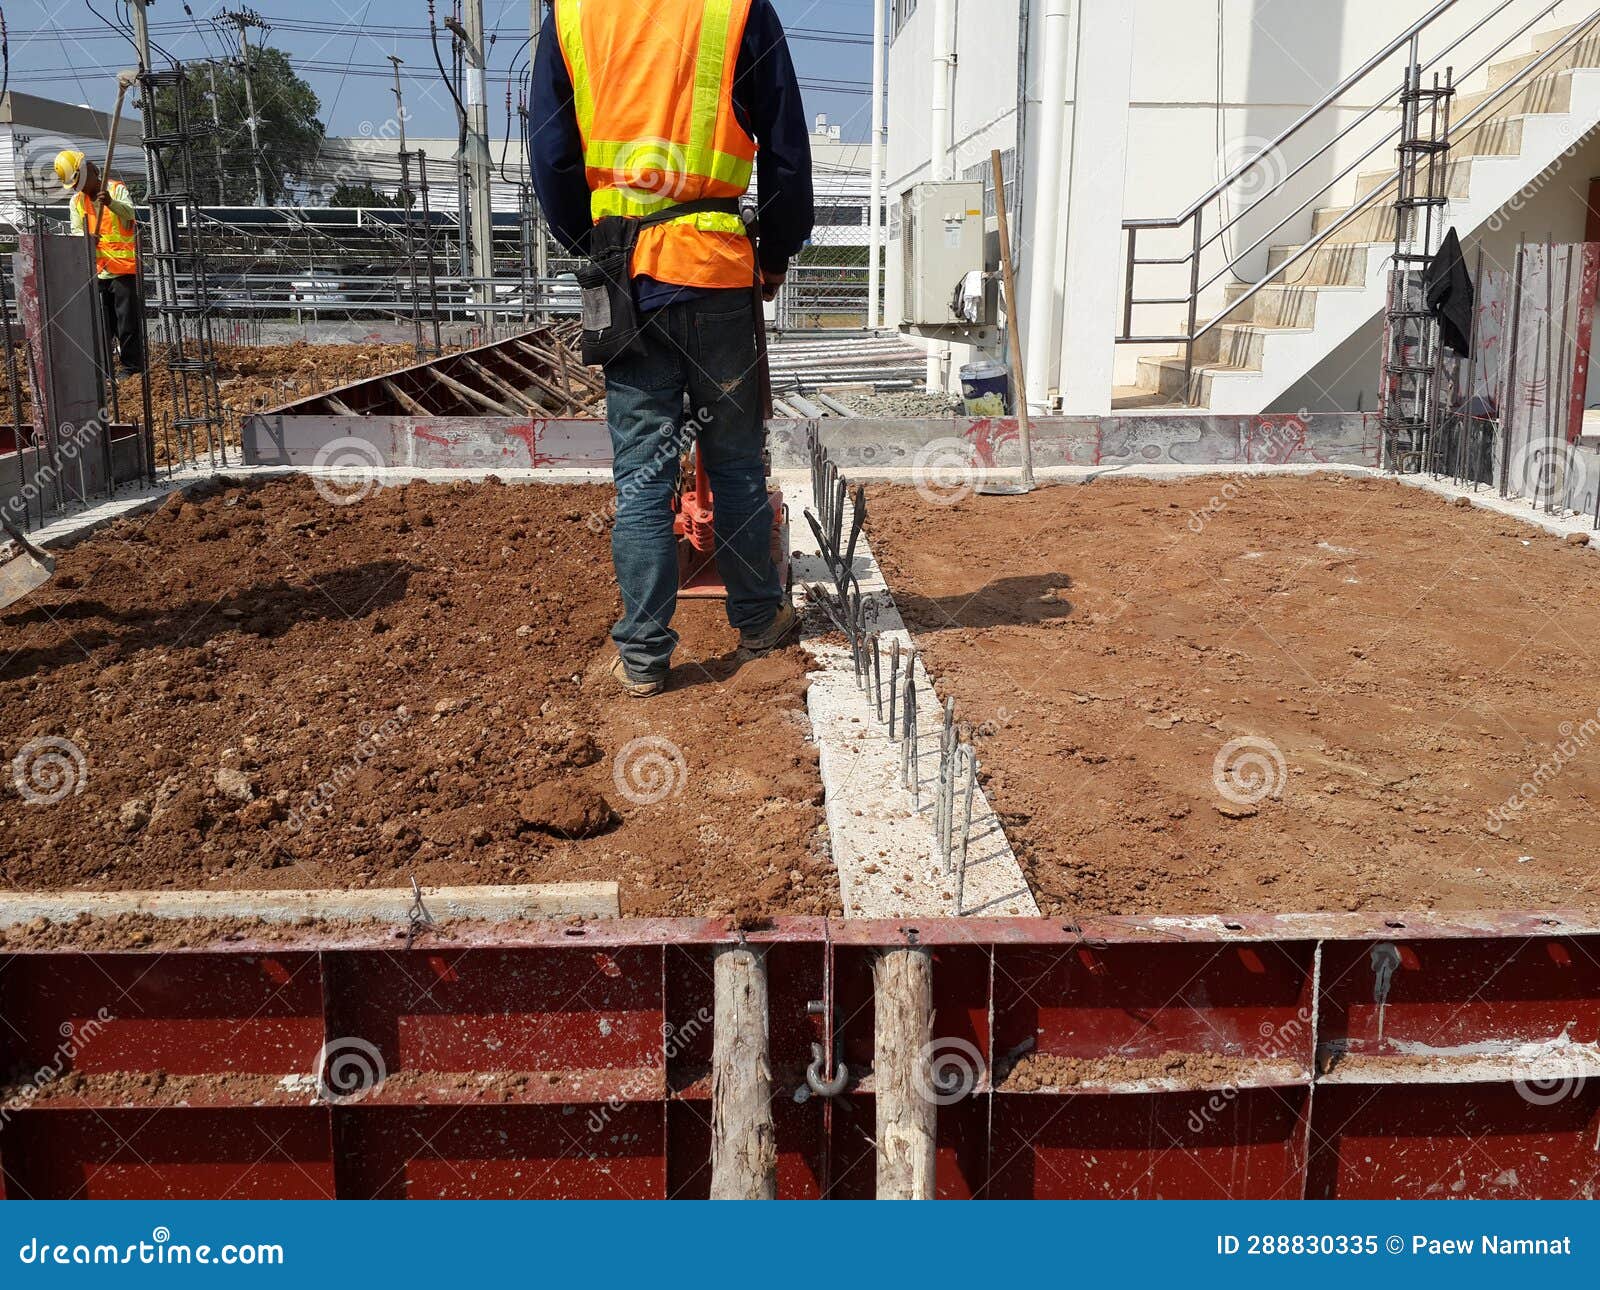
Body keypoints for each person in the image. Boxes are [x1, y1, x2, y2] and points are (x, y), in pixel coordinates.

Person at [532, 0, 814, 698]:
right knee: (737, 461)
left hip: (625, 280)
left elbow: (552, 156)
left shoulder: (570, 16)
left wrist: (592, 244)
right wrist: (774, 251)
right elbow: (784, 145)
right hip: (716, 271)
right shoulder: (738, 9)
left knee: (642, 478)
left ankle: (645, 655)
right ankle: (755, 620)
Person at [54, 148, 143, 377]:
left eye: (78, 181)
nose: (77, 187)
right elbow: (75, 231)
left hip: (122, 270)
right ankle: (104, 370)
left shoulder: (115, 190)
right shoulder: (77, 202)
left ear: (90, 171)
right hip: (96, 273)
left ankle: (132, 368)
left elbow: (130, 214)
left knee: (127, 324)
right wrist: (85, 240)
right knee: (102, 327)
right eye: (73, 184)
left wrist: (112, 203)